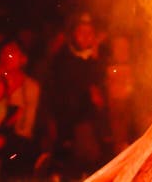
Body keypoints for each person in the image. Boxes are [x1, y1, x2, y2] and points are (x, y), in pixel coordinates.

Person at [46, 12, 107, 178]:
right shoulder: (63, 58)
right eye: (81, 32)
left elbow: (102, 94)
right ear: (73, 34)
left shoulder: (100, 59)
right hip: (69, 125)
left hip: (93, 128)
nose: (86, 36)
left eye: (90, 32)